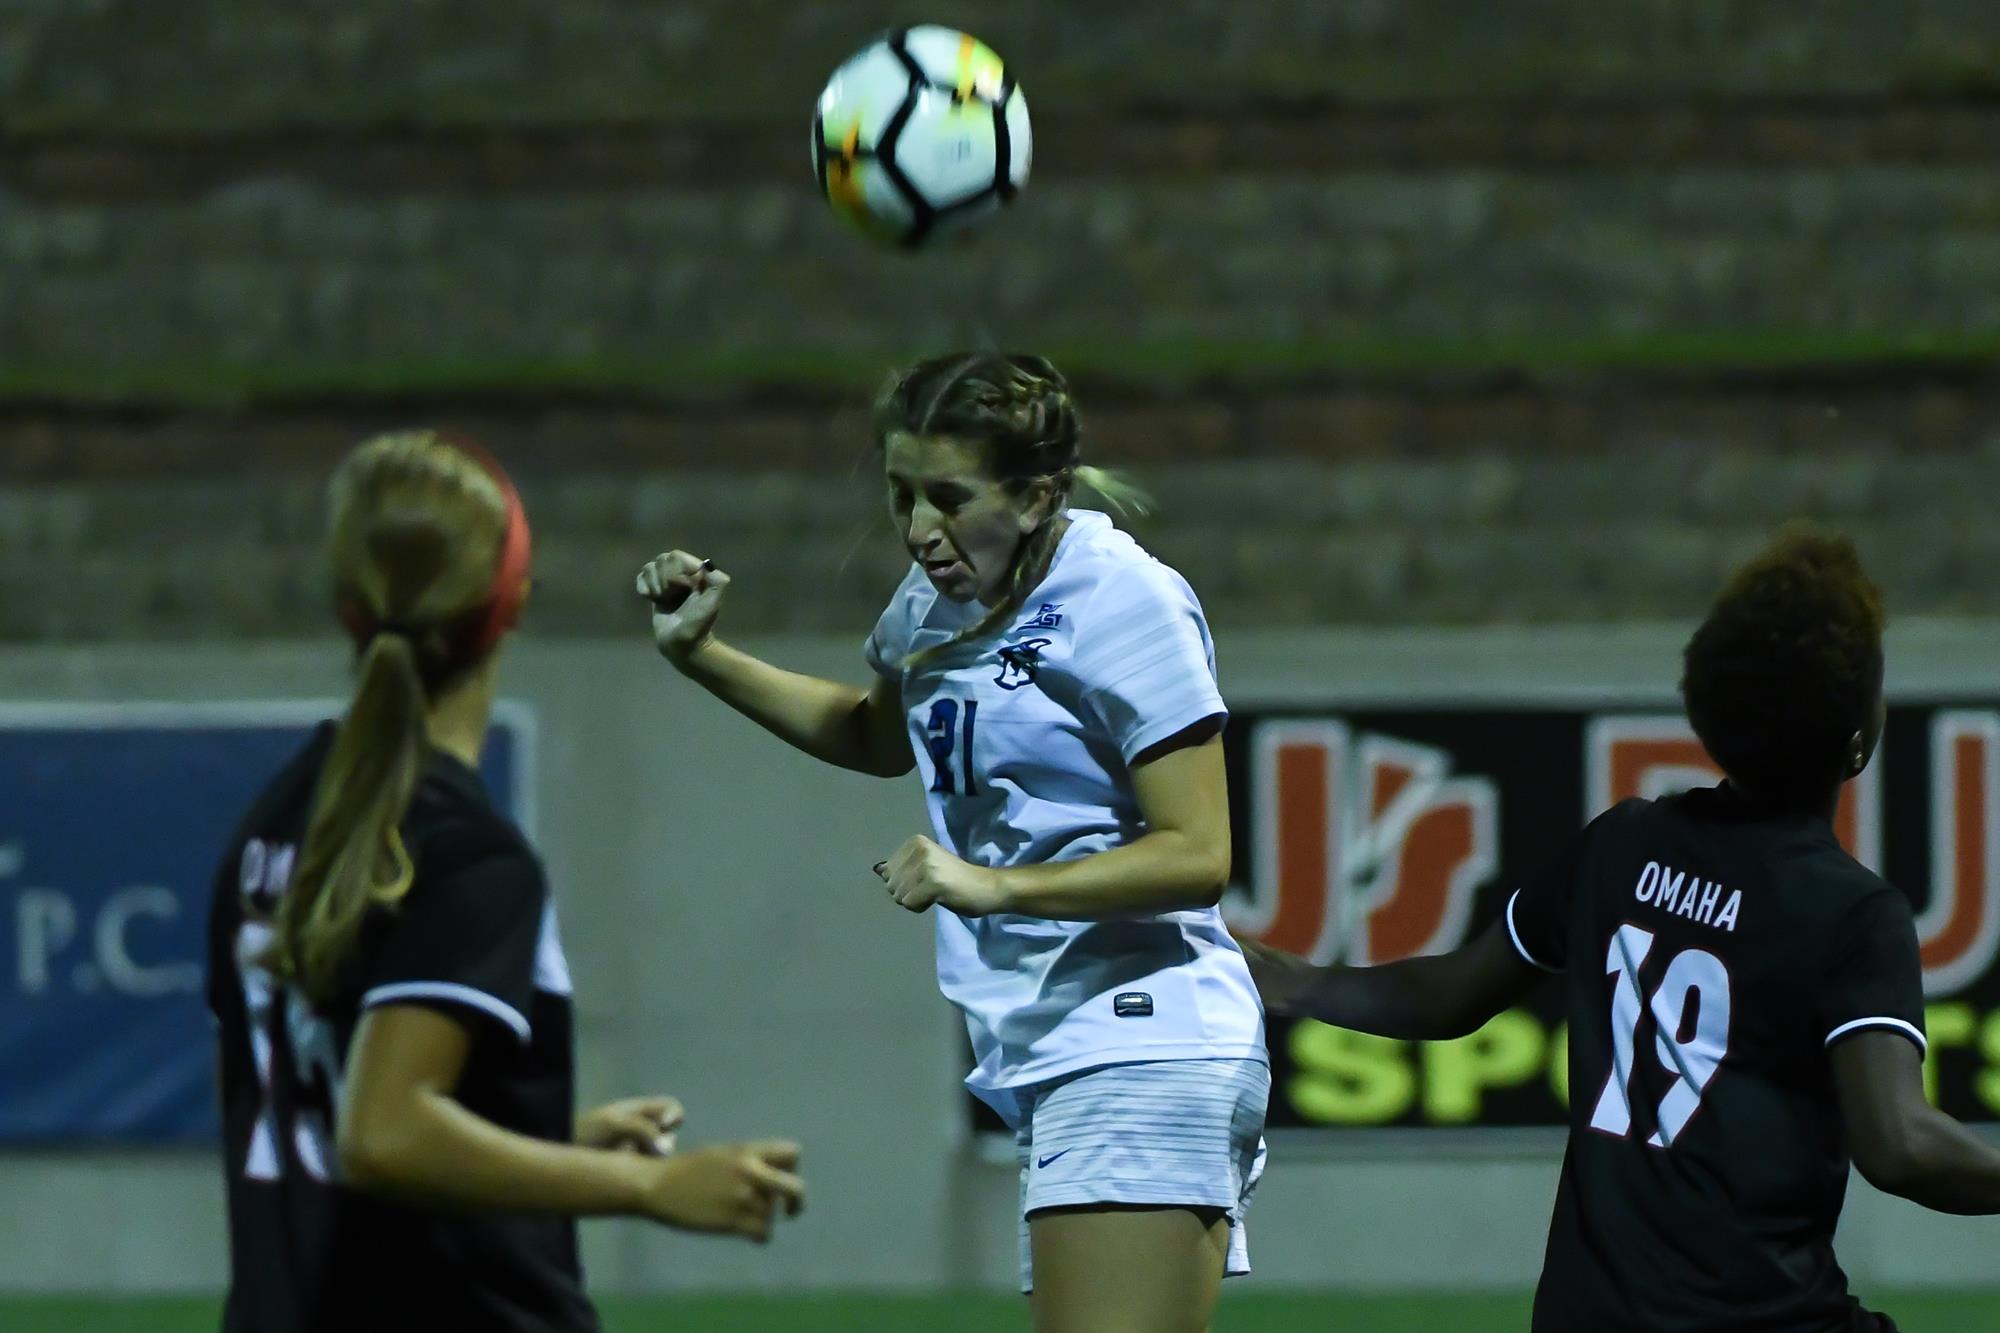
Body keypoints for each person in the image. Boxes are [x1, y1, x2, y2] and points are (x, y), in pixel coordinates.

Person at [636, 352, 1267, 1333]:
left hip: (1143, 1032)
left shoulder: (1122, 599)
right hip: (1056, 1041)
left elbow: (1198, 852)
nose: (918, 528)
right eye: (900, 493)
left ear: (1038, 494)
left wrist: (994, 884)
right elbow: (872, 734)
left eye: (948, 497)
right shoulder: (933, 601)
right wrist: (703, 656)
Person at [1242, 527, 2000, 1332]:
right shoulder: (1854, 913)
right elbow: (1899, 1143)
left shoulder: (1622, 846)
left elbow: (1450, 994)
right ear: (1857, 742)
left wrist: (1302, 982)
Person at [208, 432, 804, 1333]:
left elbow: (333, 1116)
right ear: (512, 599)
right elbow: (383, 1130)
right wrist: (647, 1184)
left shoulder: (276, 823)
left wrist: (550, 1141)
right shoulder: (465, 852)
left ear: (345, 605)